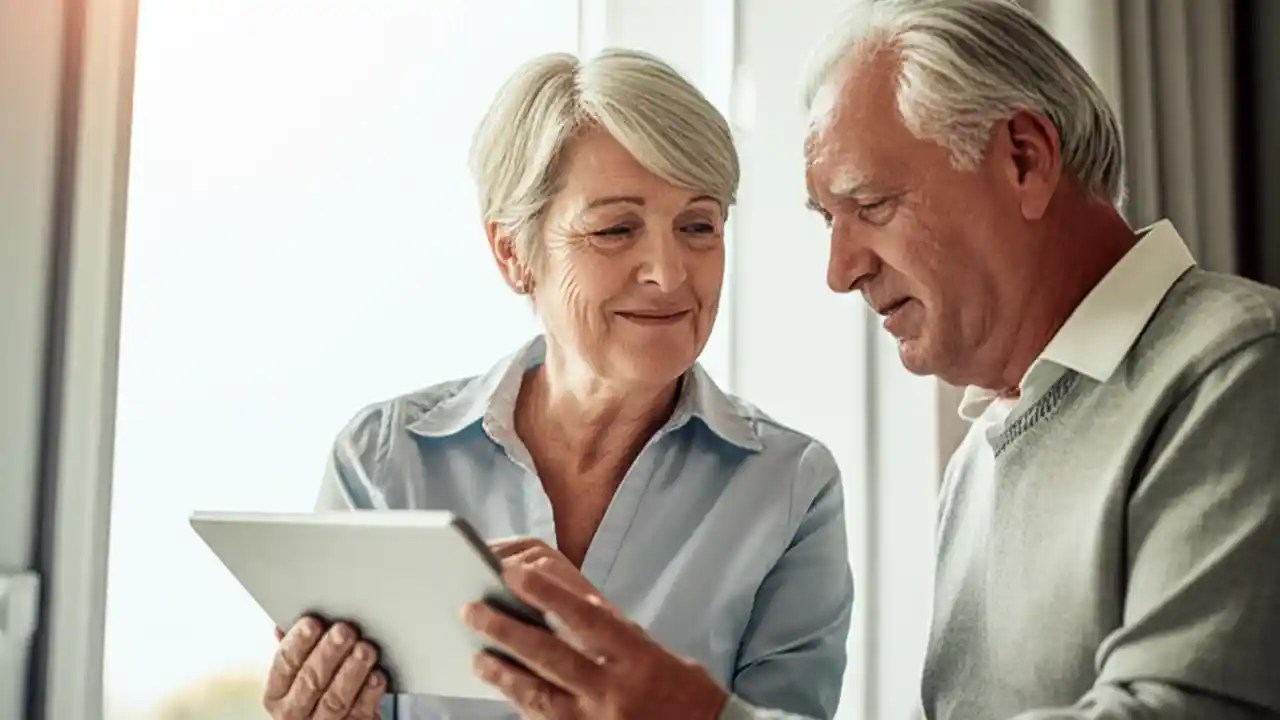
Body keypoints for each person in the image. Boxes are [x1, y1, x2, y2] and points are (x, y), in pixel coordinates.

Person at [469, 1, 1280, 719]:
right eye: (827, 218)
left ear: (1024, 159)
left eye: (871, 206)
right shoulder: (985, 458)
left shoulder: (1235, 368)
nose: (840, 269)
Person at [260, 49, 854, 720]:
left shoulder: (790, 486)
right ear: (513, 253)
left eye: (698, 226)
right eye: (615, 229)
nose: (669, 272)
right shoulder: (383, 462)